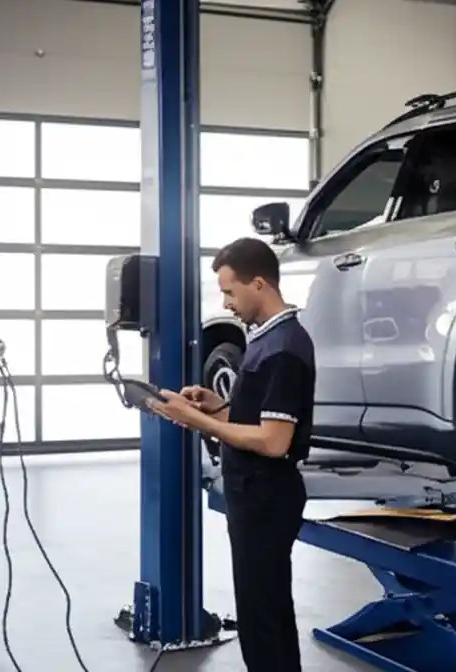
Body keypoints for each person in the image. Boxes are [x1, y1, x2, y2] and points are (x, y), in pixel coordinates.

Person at [148, 237, 314, 672]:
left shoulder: (283, 349)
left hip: (266, 495)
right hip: (253, 492)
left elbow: (274, 441)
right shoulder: (263, 339)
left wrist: (200, 422)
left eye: (229, 291)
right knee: (264, 609)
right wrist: (214, 405)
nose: (226, 303)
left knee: (263, 618)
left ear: (258, 284)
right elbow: (257, 420)